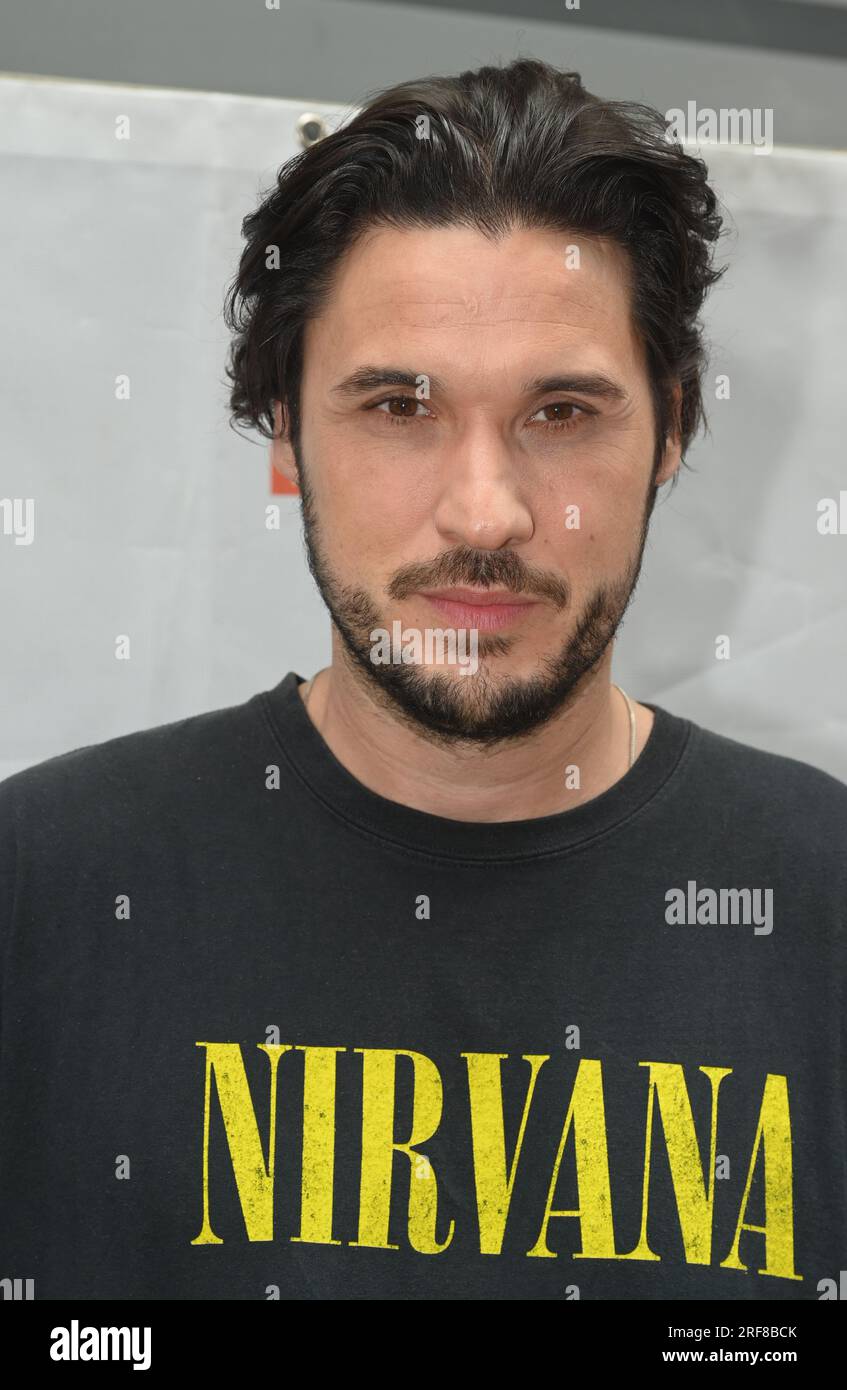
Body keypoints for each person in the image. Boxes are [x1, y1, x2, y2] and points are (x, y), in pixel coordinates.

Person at [0, 59, 844, 1302]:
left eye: (562, 412)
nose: (485, 511)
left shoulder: (820, 905)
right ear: (285, 433)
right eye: (400, 405)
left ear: (669, 430)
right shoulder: (46, 891)